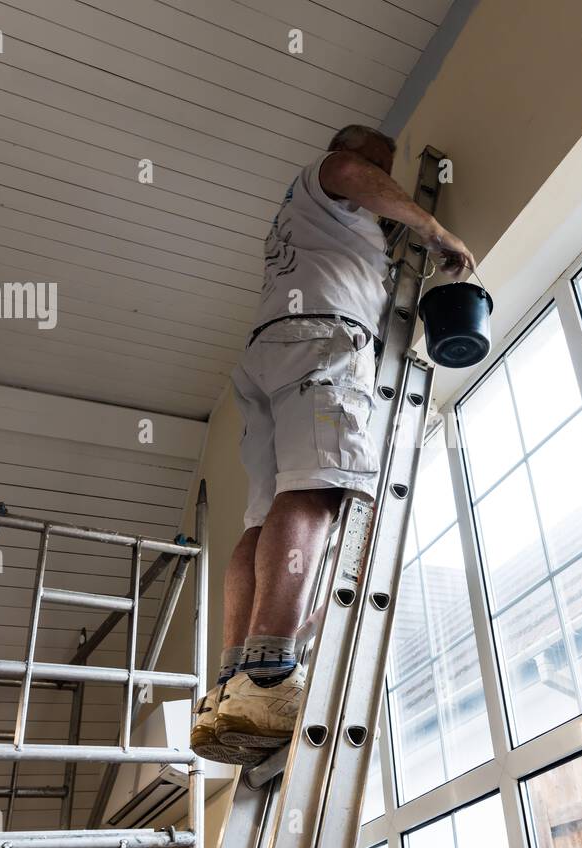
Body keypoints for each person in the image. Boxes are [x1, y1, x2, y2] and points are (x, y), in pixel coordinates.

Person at [191, 125, 475, 765]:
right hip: (320, 342)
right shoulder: (332, 178)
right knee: (316, 490)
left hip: (275, 351)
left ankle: (232, 684)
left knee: (261, 519)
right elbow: (349, 172)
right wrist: (436, 231)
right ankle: (268, 676)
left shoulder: (314, 230)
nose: (384, 177)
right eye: (384, 166)